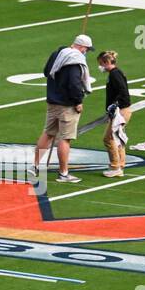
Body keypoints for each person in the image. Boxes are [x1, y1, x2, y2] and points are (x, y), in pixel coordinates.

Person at [33, 33, 93, 184]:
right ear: (81, 47)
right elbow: (74, 83)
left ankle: (34, 166)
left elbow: (46, 71)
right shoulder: (75, 59)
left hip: (52, 100)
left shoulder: (57, 53)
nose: (86, 52)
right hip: (67, 104)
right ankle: (64, 173)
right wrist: (78, 101)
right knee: (65, 139)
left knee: (48, 134)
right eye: (86, 49)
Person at [97, 50, 132, 178]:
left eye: (101, 63)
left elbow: (123, 92)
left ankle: (115, 166)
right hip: (122, 110)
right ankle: (120, 164)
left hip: (121, 111)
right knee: (117, 138)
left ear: (106, 62)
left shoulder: (114, 74)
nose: (100, 67)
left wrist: (115, 105)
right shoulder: (116, 73)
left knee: (109, 138)